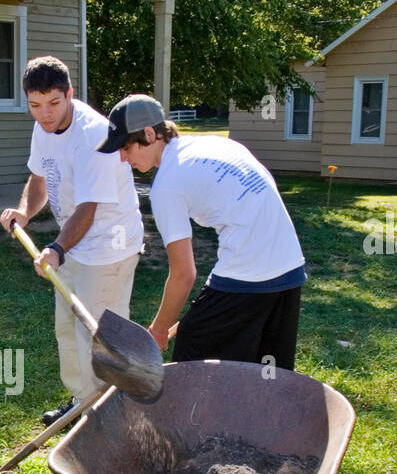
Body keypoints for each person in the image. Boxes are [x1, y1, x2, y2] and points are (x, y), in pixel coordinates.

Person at [97, 94, 305, 371]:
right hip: (290, 269)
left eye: (126, 147)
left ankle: (204, 415)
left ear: (149, 134)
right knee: (269, 373)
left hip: (249, 272)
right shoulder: (214, 144)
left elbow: (184, 274)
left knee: (192, 358)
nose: (123, 158)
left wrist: (159, 330)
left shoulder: (167, 185)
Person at [0, 56, 144, 426]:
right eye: (34, 105)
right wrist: (24, 213)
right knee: (68, 325)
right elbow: (39, 179)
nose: (44, 114)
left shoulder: (94, 134)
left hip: (110, 243)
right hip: (75, 241)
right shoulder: (43, 127)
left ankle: (105, 416)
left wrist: (57, 249)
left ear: (69, 94)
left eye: (53, 104)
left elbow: (89, 207)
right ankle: (81, 402)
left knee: (96, 334)